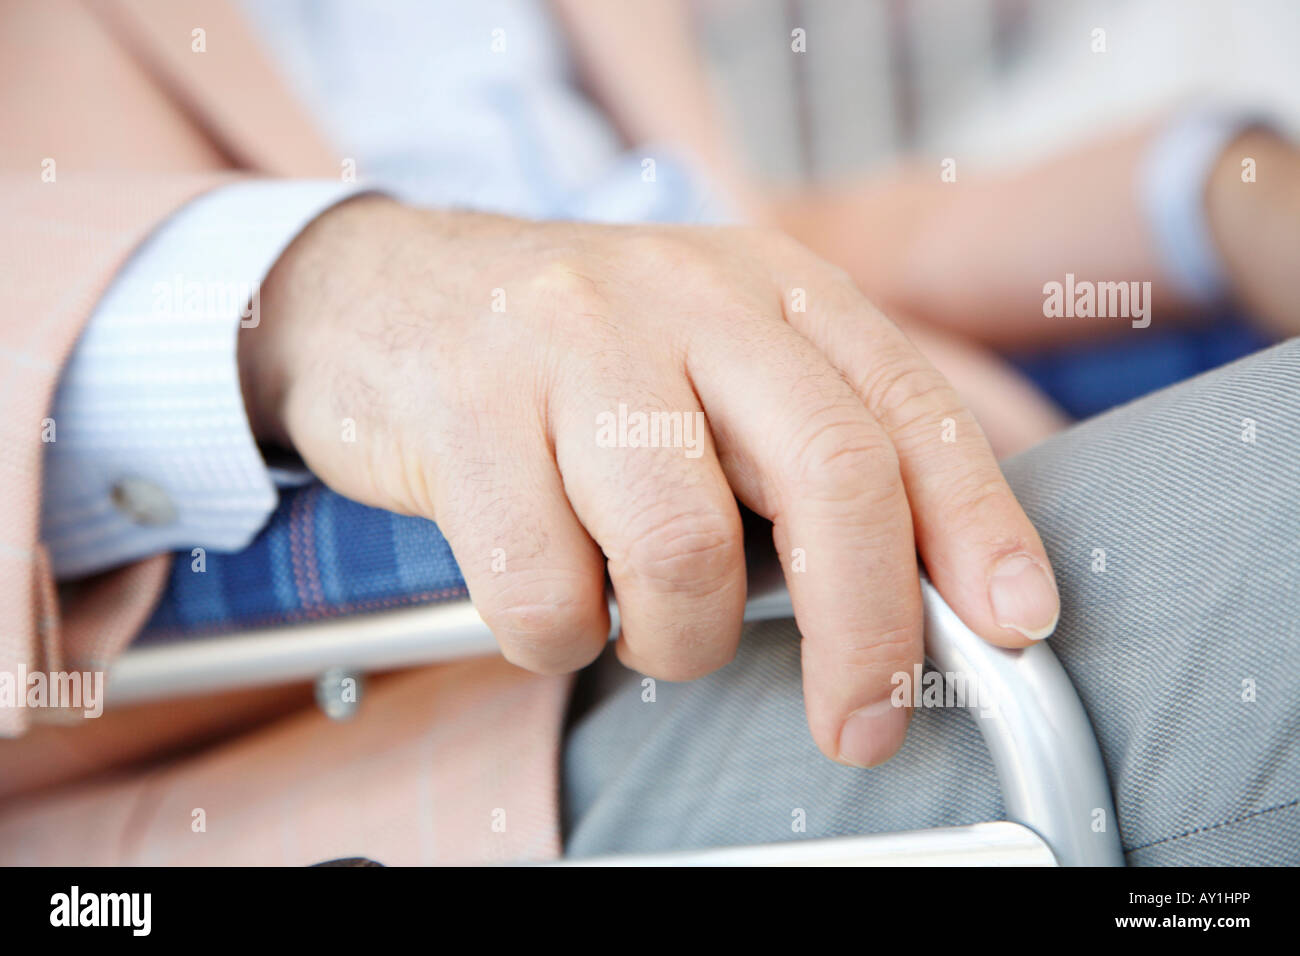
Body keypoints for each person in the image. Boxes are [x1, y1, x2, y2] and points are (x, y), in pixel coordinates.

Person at [0, 0, 1295, 865]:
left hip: (886, 504)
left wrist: (1210, 187)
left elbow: (745, 235)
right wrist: (316, 299)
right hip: (456, 717)